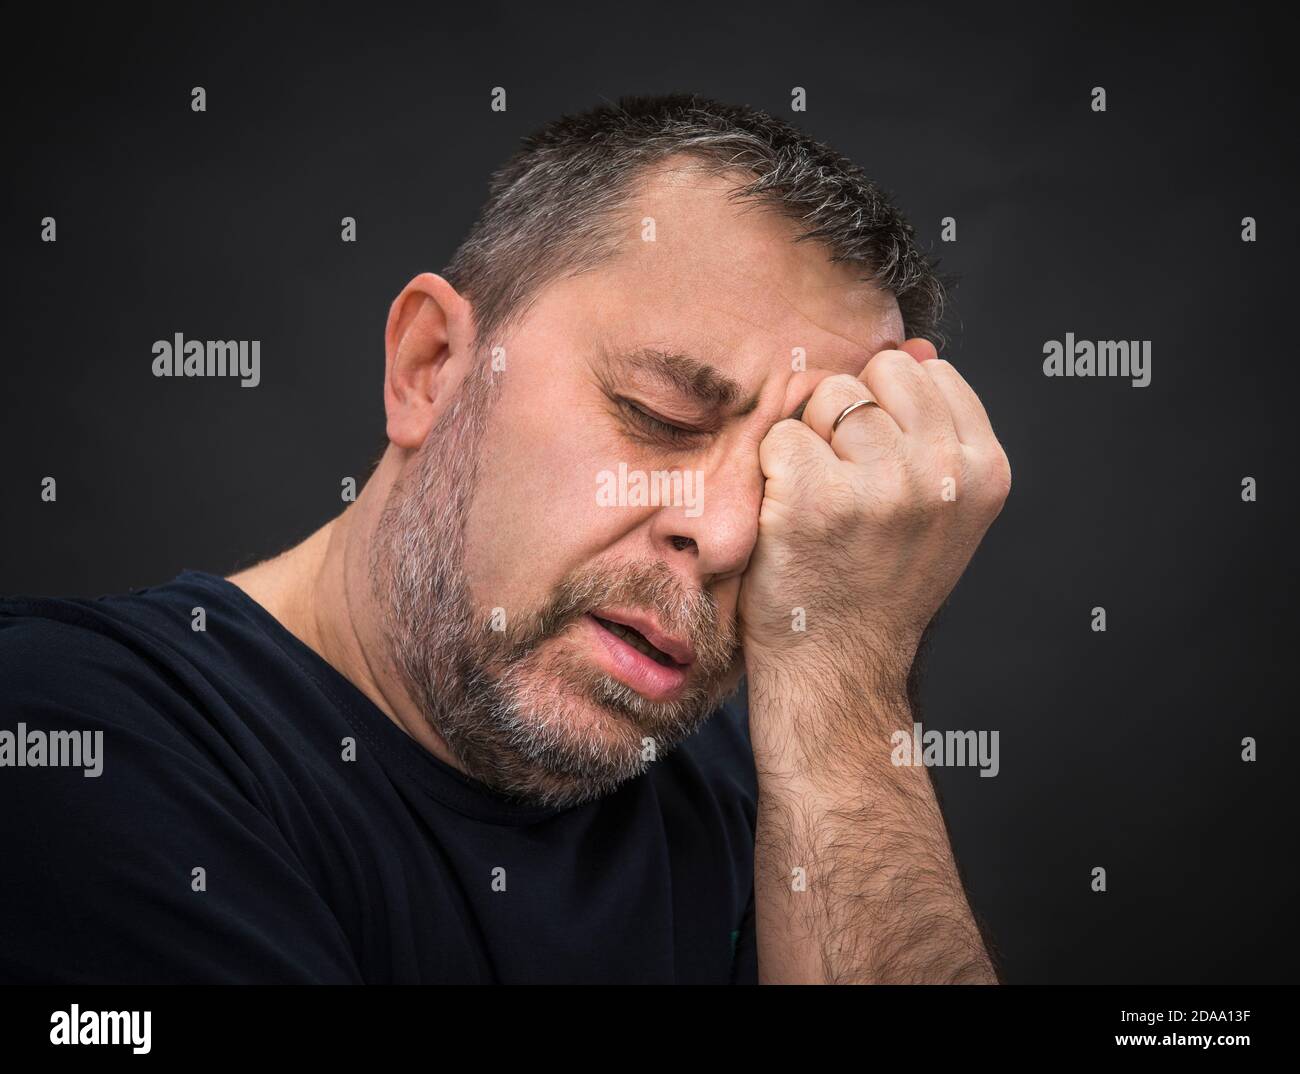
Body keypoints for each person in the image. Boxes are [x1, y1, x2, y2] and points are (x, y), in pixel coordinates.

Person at [0, 94, 1010, 984]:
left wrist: (847, 677)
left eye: (786, 480)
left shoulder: (786, 790)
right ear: (432, 366)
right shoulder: (73, 741)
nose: (727, 533)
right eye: (658, 416)